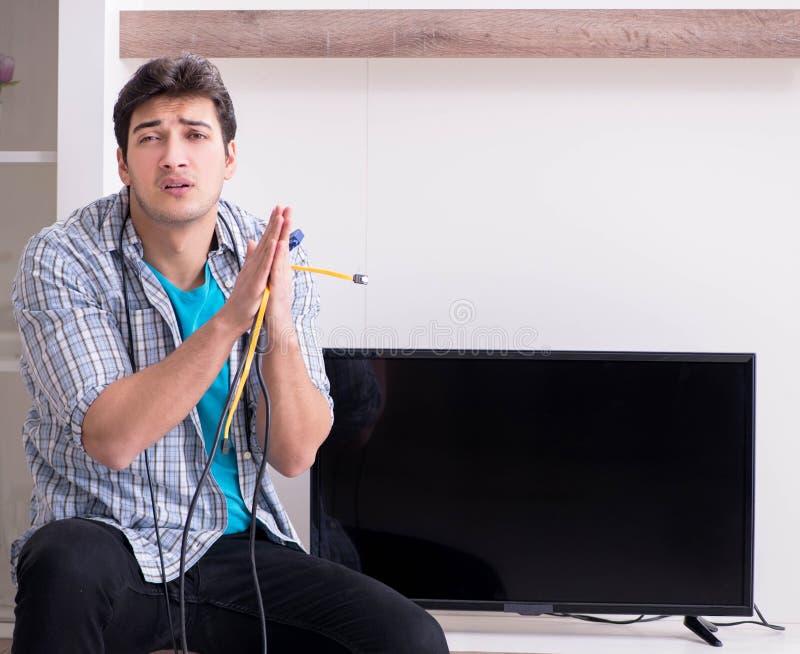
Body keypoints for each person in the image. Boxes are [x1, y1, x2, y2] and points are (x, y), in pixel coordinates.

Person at [10, 54, 449, 654]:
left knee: (409, 638)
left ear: (229, 157)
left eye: (195, 135)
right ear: (124, 163)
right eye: (151, 138)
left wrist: (278, 325)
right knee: (62, 562)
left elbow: (294, 453)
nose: (174, 157)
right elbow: (112, 440)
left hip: (235, 550)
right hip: (111, 543)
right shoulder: (63, 257)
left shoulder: (271, 255)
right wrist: (231, 319)